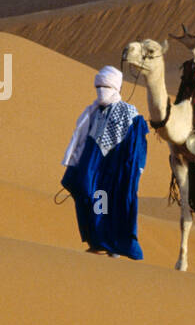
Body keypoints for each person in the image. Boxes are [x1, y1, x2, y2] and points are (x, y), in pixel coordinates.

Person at [60, 65, 148, 259]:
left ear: (115, 88)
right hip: (94, 171)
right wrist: (73, 165)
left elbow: (137, 147)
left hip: (115, 174)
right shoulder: (92, 112)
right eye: (98, 86)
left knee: (108, 205)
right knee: (87, 197)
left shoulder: (128, 113)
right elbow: (80, 140)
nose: (101, 91)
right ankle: (98, 241)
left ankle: (109, 244)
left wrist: (134, 172)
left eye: (106, 87)